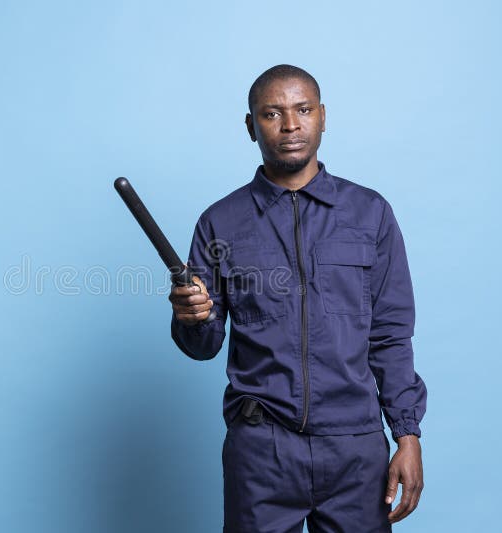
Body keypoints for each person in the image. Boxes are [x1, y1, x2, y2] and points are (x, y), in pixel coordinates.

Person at [169, 64, 427, 532]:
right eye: (272, 114)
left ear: (323, 116)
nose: (290, 126)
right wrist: (191, 317)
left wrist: (406, 434)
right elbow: (203, 344)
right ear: (251, 126)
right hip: (261, 450)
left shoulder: (370, 214)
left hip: (355, 448)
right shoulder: (219, 223)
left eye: (303, 110)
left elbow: (391, 335)